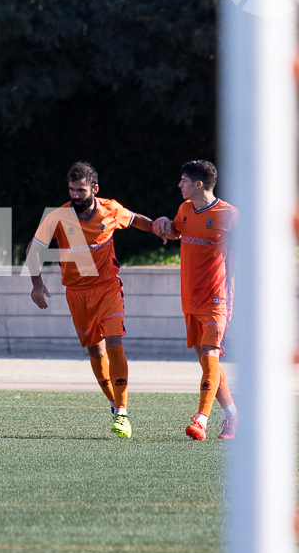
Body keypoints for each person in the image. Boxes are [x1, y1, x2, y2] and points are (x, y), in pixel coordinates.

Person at [26, 162, 164, 439]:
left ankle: (122, 412)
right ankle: (115, 405)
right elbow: (33, 250)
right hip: (77, 293)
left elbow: (135, 219)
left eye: (81, 190)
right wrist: (37, 284)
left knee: (114, 341)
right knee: (95, 351)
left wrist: (158, 228)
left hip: (107, 288)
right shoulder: (58, 216)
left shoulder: (110, 209)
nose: (75, 195)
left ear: (95, 189)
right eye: (71, 189)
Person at [153, 160, 239, 440]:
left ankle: (200, 420)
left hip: (217, 299)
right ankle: (234, 417)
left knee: (211, 357)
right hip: (190, 299)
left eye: (183, 181)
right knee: (207, 363)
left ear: (198, 184)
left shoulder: (230, 215)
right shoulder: (185, 209)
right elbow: (176, 229)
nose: (179, 185)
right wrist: (164, 225)